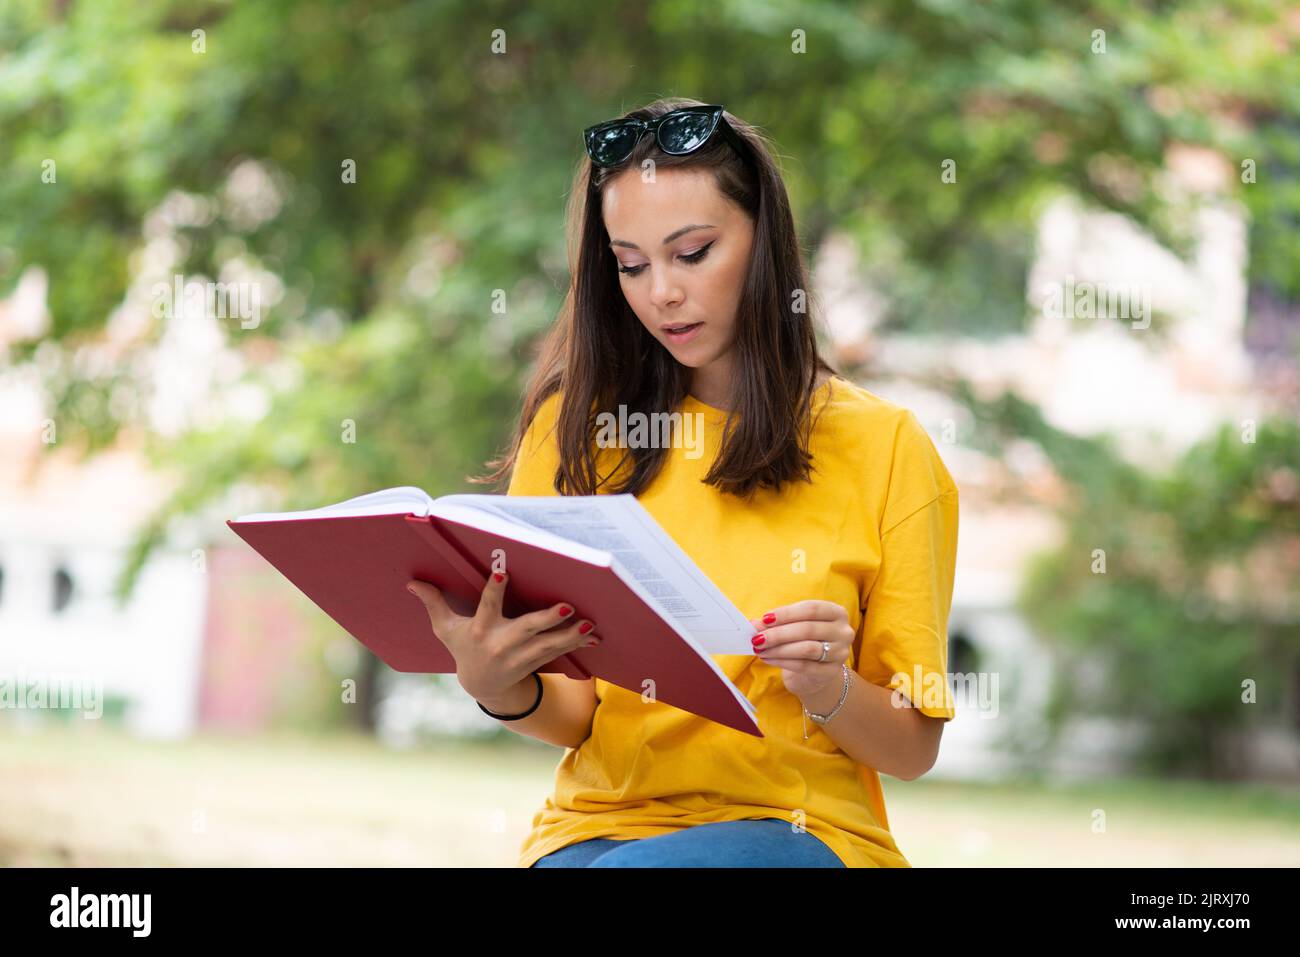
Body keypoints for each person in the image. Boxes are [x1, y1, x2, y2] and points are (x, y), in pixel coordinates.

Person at [407, 97, 959, 868]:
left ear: (763, 242)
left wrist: (827, 685)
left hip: (799, 832)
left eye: (691, 253)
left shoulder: (886, 446)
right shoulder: (573, 430)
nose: (659, 291)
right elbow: (575, 712)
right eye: (630, 264)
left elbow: (911, 746)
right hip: (595, 829)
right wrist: (499, 683)